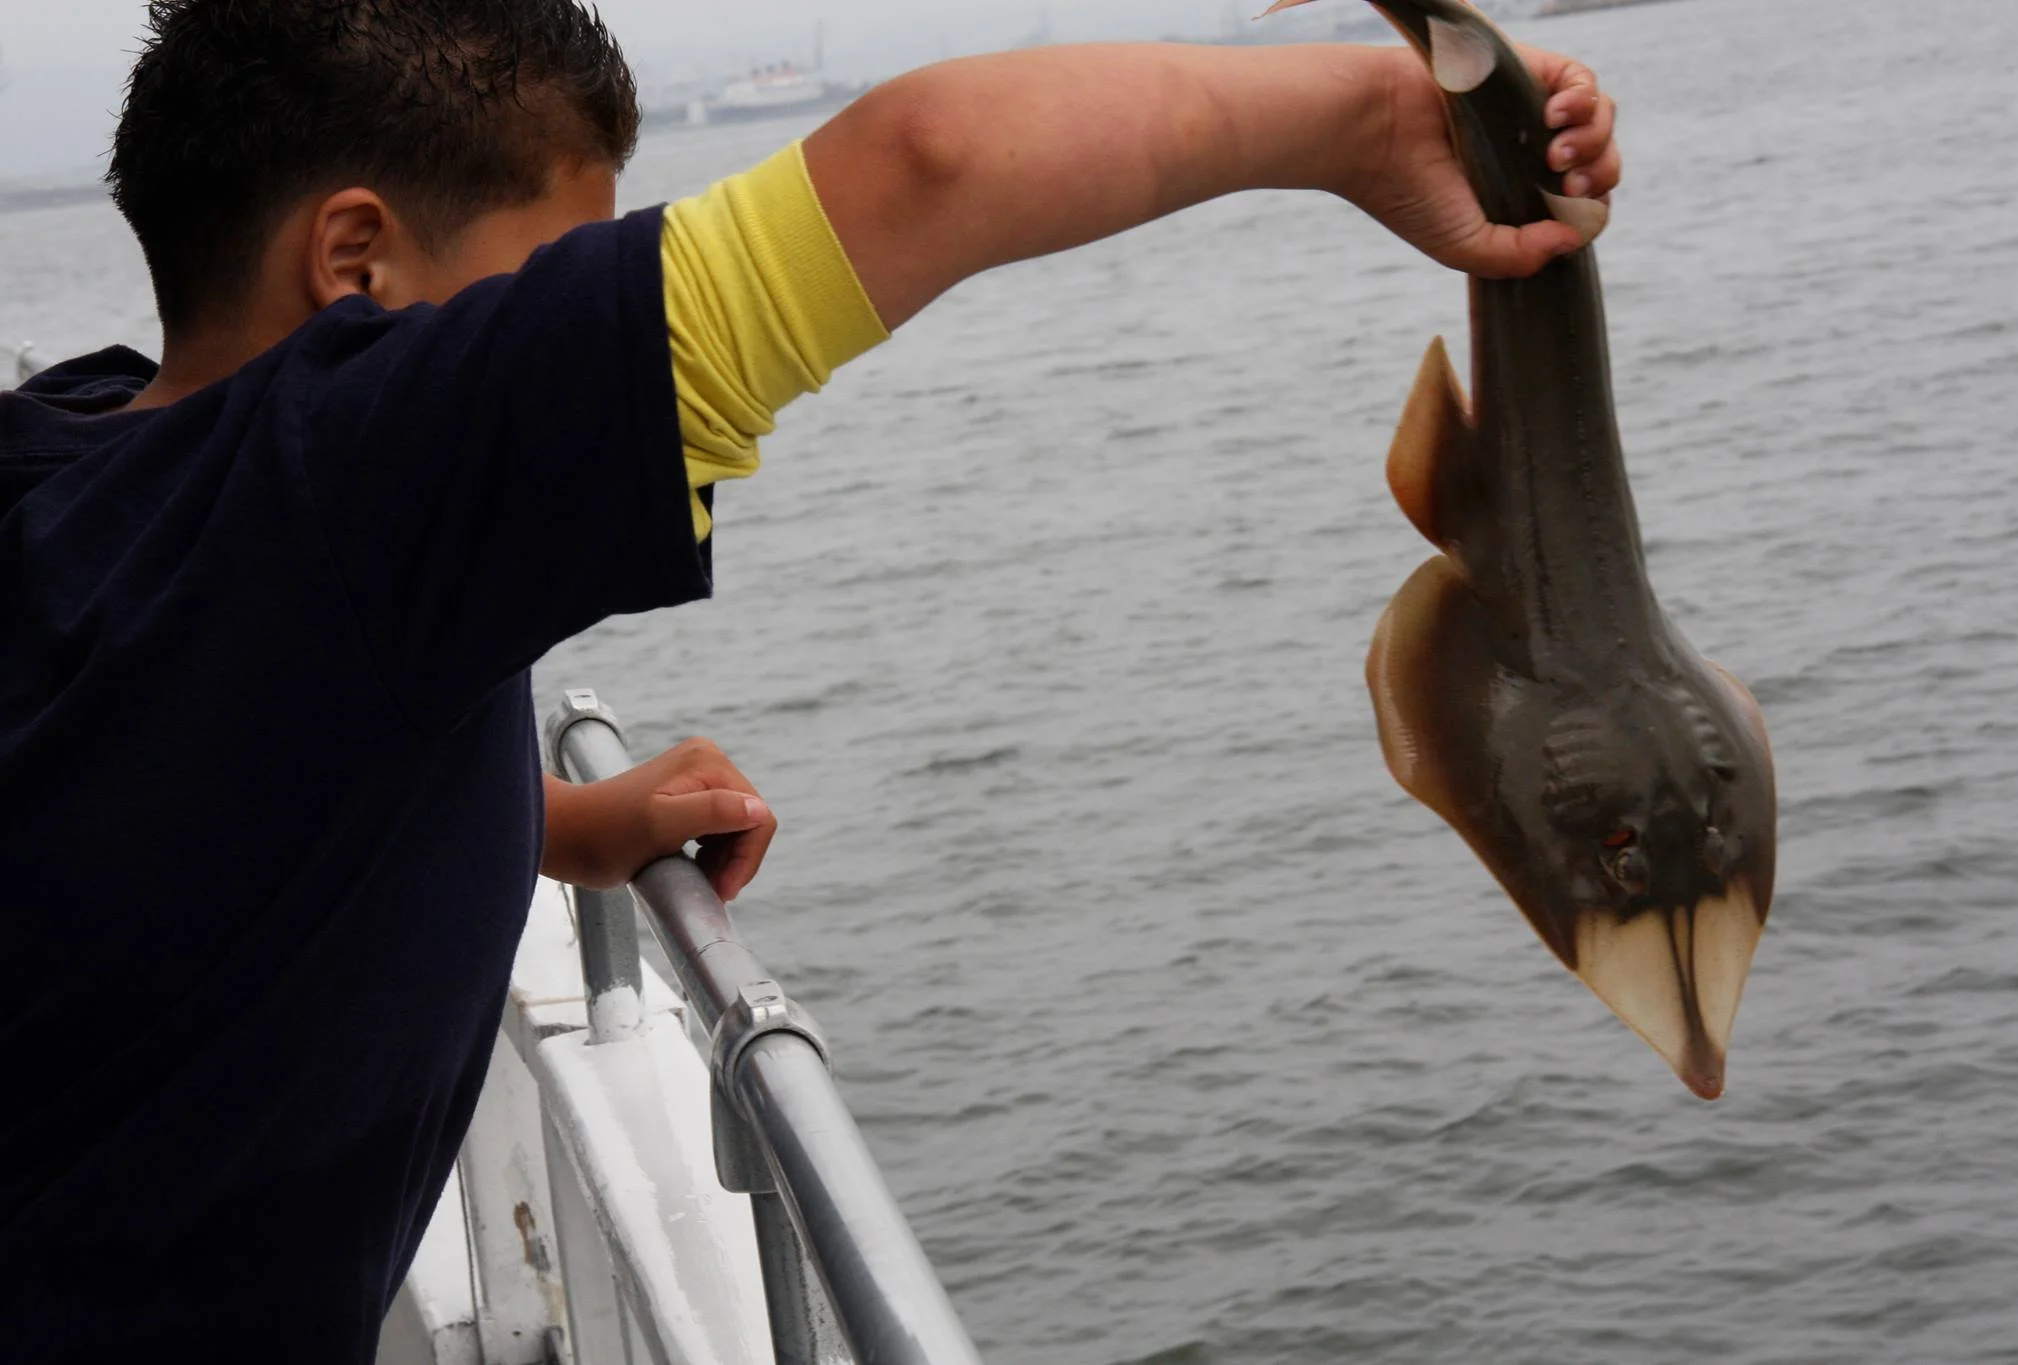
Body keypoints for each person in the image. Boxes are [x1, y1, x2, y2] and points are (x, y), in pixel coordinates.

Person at [0, 1, 1620, 1359]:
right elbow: (931, 163)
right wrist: (1373, 121)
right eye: (558, 273)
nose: (576, 315)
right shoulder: (336, 497)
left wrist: (557, 822)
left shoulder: (85, 471)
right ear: (356, 265)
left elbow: (212, 768)